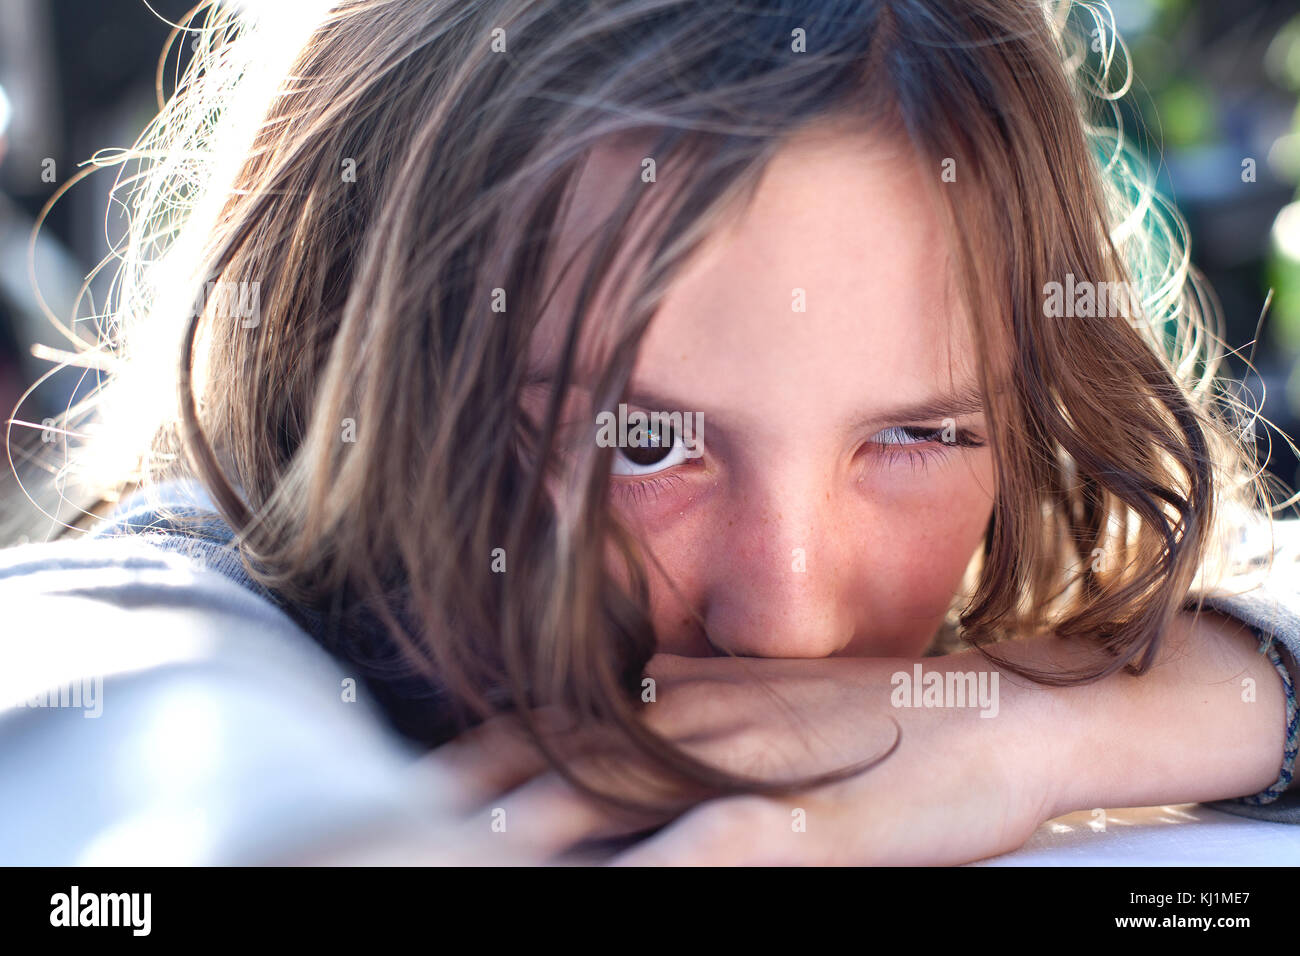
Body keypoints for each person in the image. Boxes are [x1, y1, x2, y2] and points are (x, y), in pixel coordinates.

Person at [2, 0, 1298, 865]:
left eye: (917, 436)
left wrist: (1067, 725)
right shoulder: (196, 605)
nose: (789, 622)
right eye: (639, 442)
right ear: (350, 366)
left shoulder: (1021, 649)